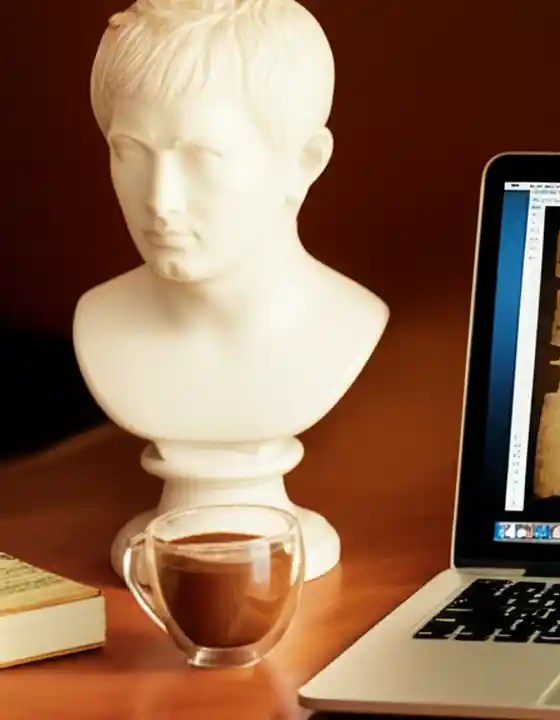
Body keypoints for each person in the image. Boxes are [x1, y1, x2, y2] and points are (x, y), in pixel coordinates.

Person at [77, 0, 387, 579]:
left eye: (203, 158)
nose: (160, 200)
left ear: (303, 163)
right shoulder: (99, 321)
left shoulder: (344, 326)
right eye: (130, 153)